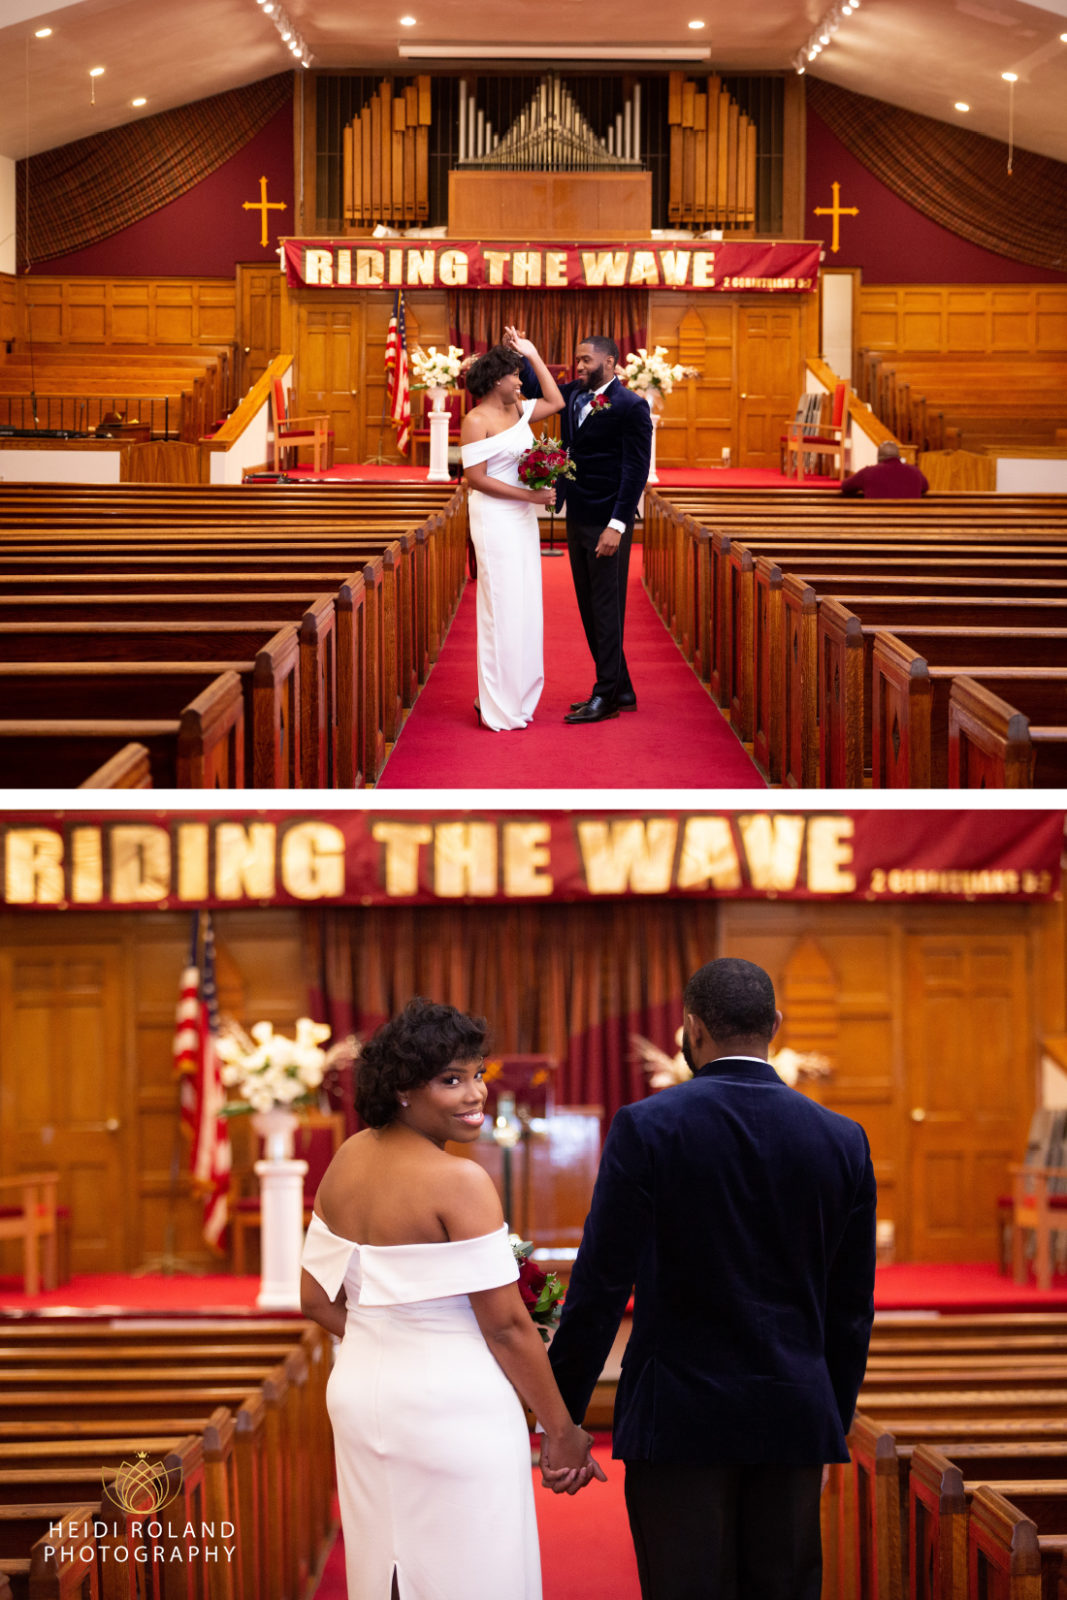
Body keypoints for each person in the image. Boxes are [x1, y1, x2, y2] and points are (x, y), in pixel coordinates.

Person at [545, 957, 877, 1600]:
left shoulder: (648, 1126)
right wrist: (828, 1424)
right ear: (775, 1025)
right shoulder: (842, 1138)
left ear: (692, 1030)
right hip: (793, 1414)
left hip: (678, 1418)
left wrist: (563, 1418)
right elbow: (851, 1307)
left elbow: (601, 1285)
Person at [299, 997, 601, 1600]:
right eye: (451, 1080)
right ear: (405, 1090)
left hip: (360, 1395)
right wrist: (560, 1429)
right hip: (452, 1408)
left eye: (477, 1074)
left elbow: (314, 1299)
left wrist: (386, 1336)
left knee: (385, 1565)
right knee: (474, 1572)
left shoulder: (347, 1158)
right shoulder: (459, 1182)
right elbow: (507, 1327)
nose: (475, 1094)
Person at [459, 334, 564, 731]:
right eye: (515, 375)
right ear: (494, 380)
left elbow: (556, 402)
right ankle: (495, 700)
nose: (520, 382)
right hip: (494, 519)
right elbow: (475, 479)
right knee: (500, 606)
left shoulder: (520, 408)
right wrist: (529, 496)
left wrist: (534, 353)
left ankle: (517, 692)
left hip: (521, 518)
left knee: (523, 602)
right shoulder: (475, 421)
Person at [552, 335, 653, 724]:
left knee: (607, 610)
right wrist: (523, 353)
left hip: (606, 521)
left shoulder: (631, 406)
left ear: (610, 362)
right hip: (577, 513)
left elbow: (635, 471)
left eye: (585, 360)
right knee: (589, 609)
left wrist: (617, 524)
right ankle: (621, 688)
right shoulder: (575, 394)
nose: (578, 367)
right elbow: (533, 385)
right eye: (576, 359)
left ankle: (606, 695)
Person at [841, 438, 929, 497]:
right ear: (898, 456)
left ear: (879, 458)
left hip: (875, 523)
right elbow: (925, 487)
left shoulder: (868, 472)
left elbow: (845, 486)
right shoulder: (914, 471)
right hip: (911, 523)